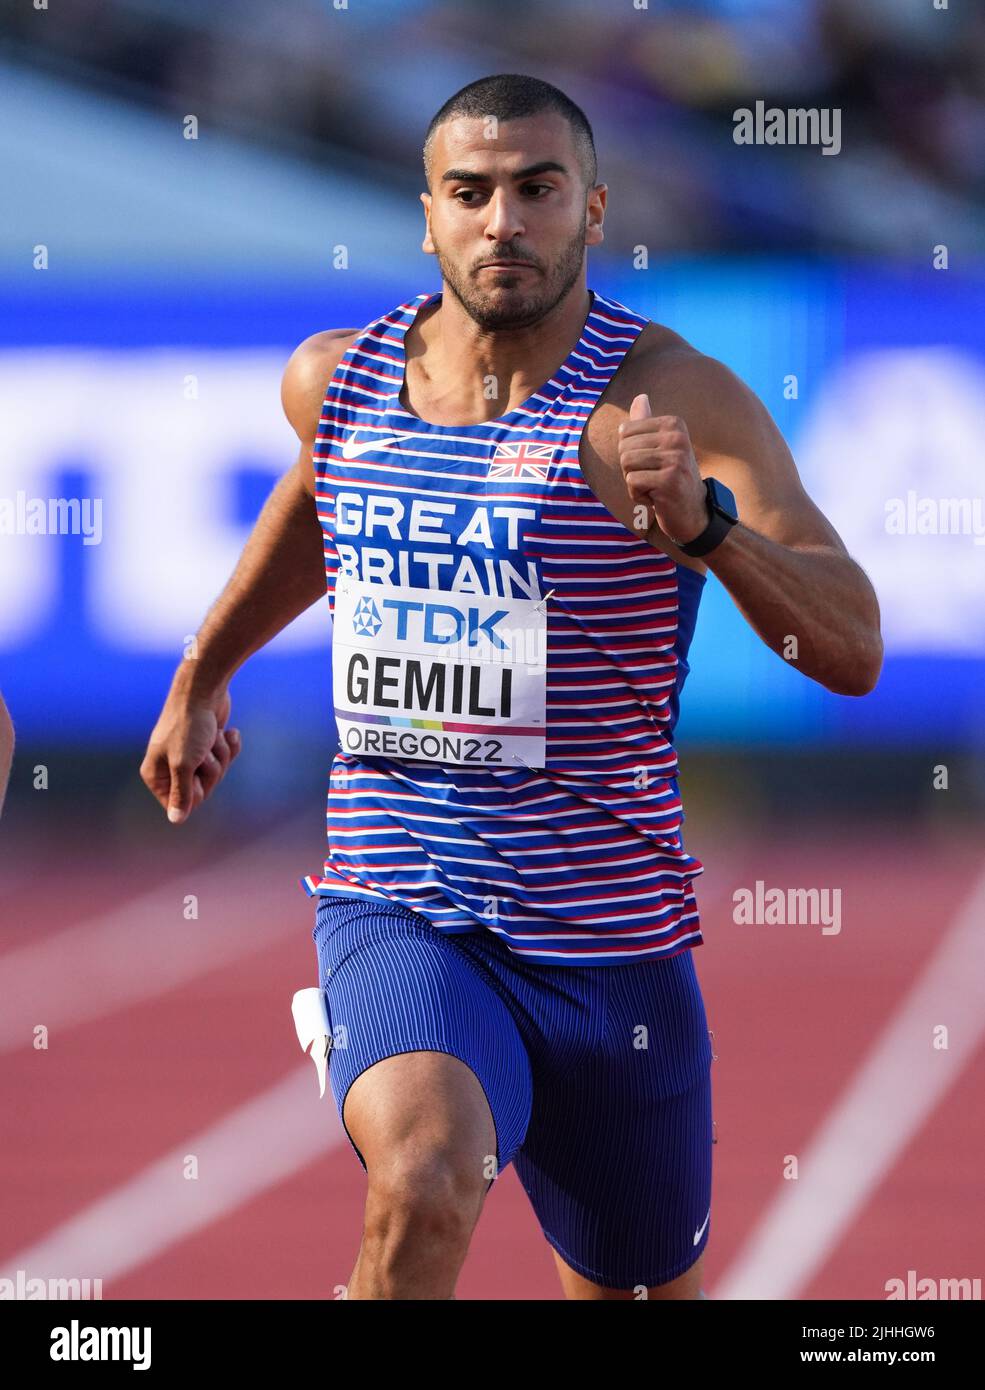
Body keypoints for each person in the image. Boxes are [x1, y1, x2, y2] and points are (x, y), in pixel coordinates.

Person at [140, 74, 882, 1301]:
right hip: (404, 902)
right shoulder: (338, 380)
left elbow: (849, 647)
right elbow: (318, 509)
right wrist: (201, 676)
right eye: (471, 194)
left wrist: (710, 532)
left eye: (537, 190)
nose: (503, 223)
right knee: (427, 1176)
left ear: (592, 209)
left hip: (613, 948)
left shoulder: (672, 394)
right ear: (425, 214)